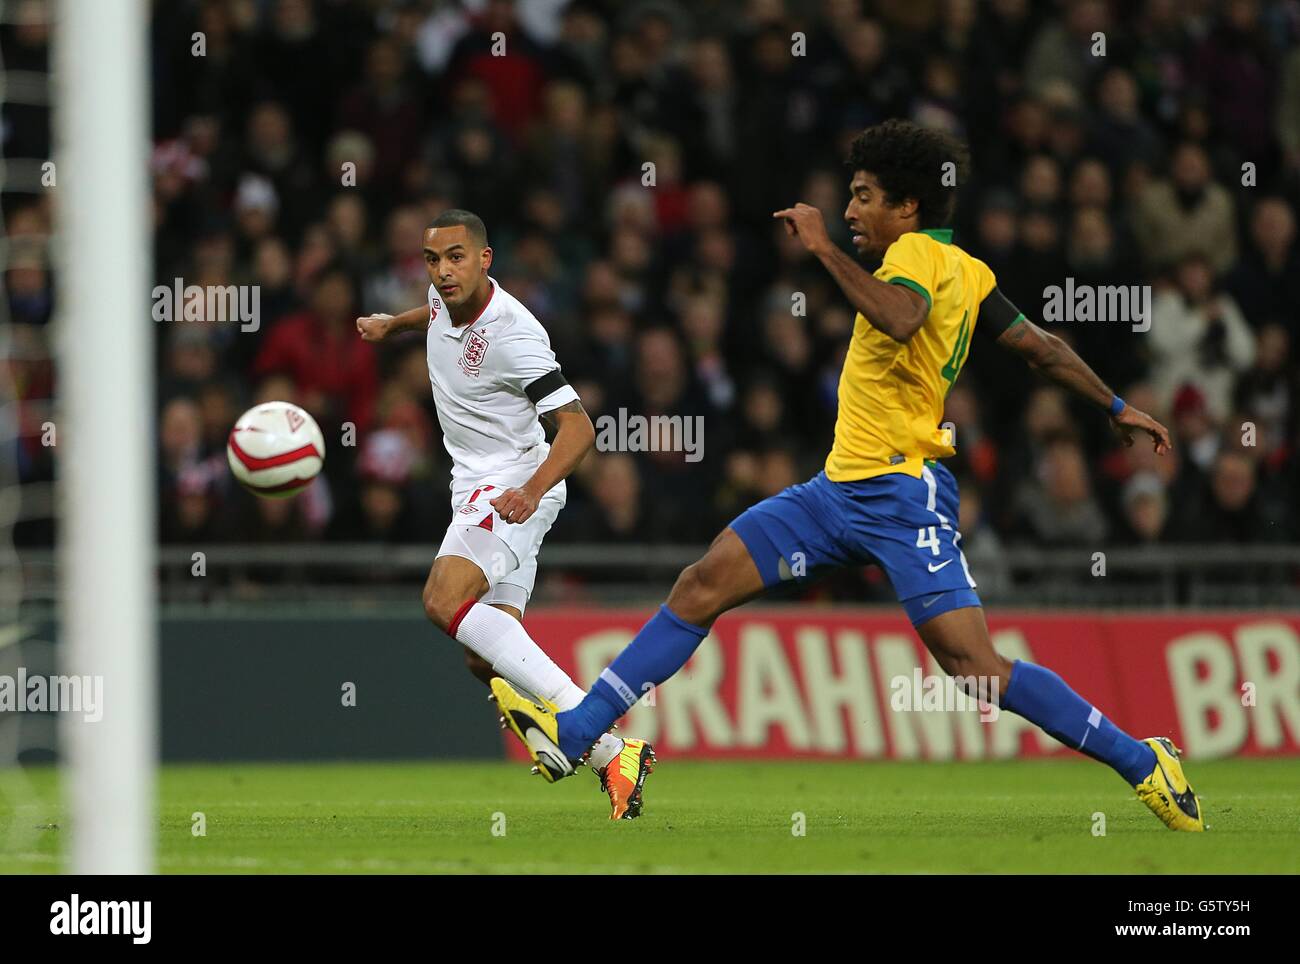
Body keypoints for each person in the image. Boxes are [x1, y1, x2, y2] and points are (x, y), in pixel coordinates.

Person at [491, 122, 1204, 832]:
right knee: (703, 582)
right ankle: (582, 731)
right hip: (837, 492)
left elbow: (901, 318)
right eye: (850, 199)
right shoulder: (971, 271)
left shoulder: (916, 258)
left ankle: (1145, 763)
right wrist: (1114, 405)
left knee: (973, 664)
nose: (852, 211)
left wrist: (823, 247)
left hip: (902, 494)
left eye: (864, 197)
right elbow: (1041, 348)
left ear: (909, 208)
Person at [357, 209, 654, 819]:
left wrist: (531, 490)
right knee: (479, 656)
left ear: (485, 259)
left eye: (457, 257)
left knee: (441, 600)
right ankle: (611, 755)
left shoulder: (514, 333)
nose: (443, 272)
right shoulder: (444, 300)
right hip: (480, 480)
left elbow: (578, 427)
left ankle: (582, 722)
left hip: (515, 481)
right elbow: (433, 317)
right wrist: (394, 326)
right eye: (433, 261)